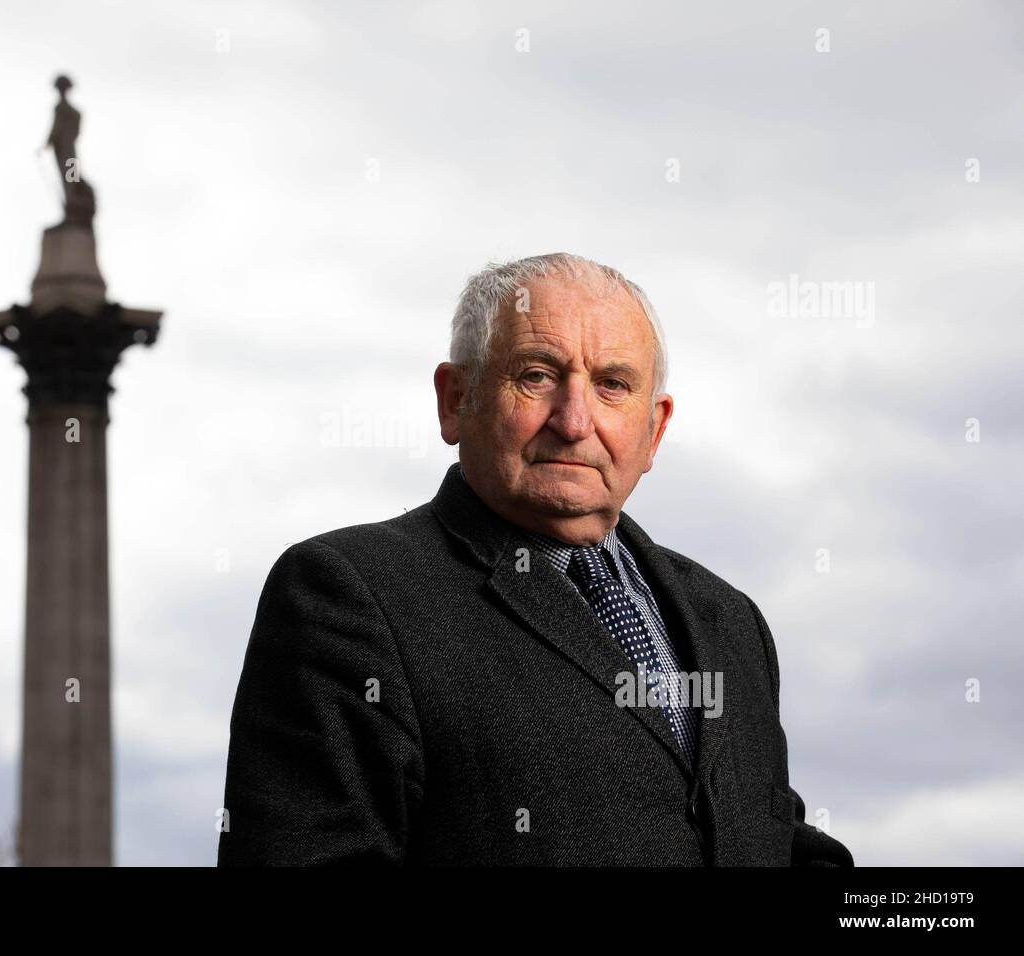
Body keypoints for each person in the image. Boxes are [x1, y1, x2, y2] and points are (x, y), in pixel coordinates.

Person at [217, 252, 854, 866]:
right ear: (455, 399)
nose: (575, 421)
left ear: (655, 430)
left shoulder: (731, 622)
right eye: (537, 375)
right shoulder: (348, 594)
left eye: (613, 384)